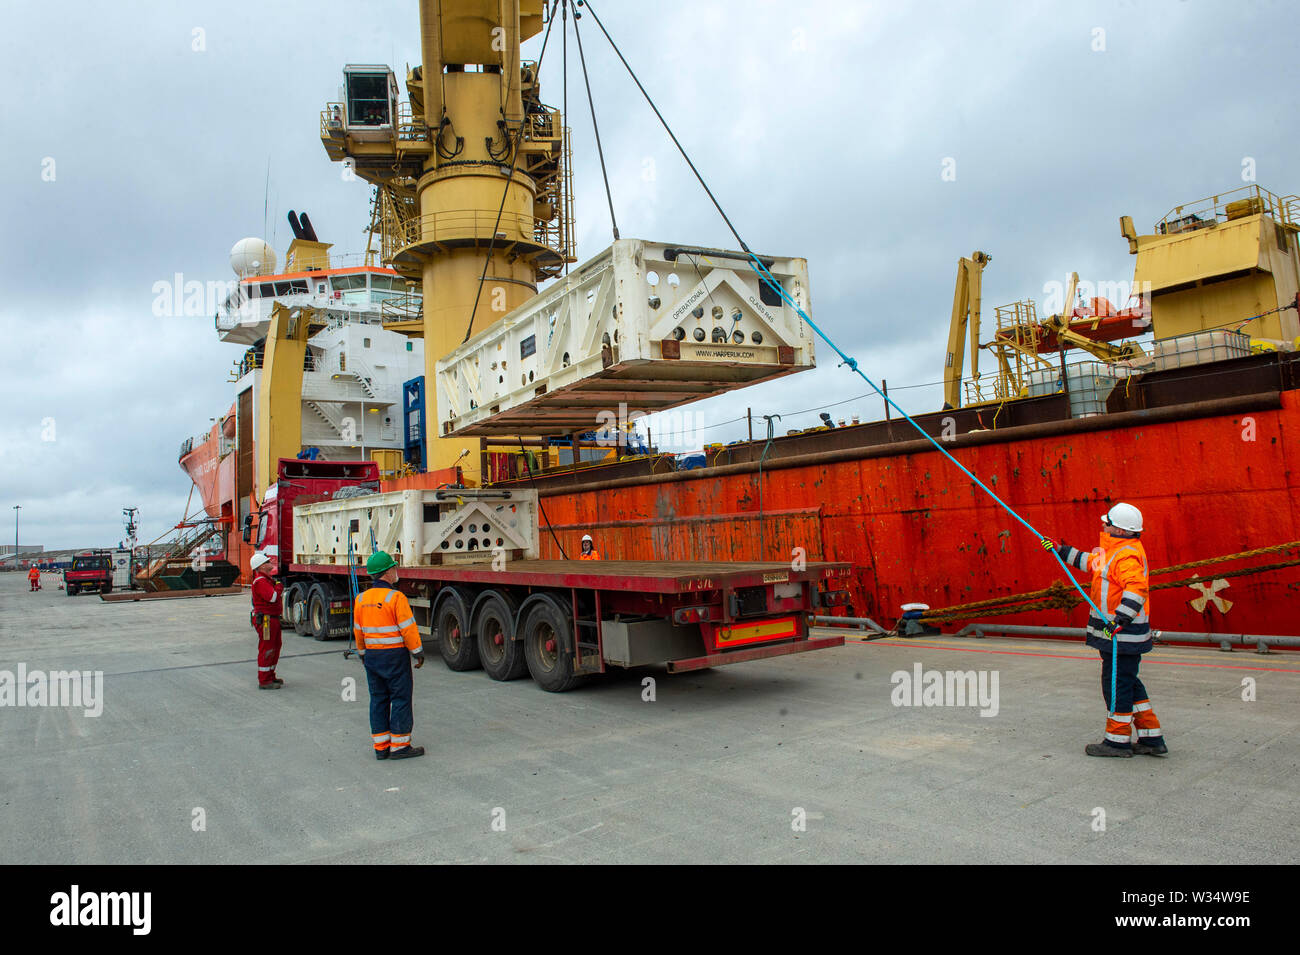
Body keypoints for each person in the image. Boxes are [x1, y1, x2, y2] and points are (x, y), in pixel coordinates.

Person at [1046, 502, 1166, 758]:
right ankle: (1151, 738)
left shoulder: (1126, 555)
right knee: (1129, 683)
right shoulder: (1114, 551)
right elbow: (1090, 562)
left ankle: (1116, 741)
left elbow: (1136, 588)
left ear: (1121, 530)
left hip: (1121, 635)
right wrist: (1060, 550)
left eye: (1108, 523)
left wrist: (1120, 619)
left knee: (1116, 686)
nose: (1103, 525)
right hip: (1118, 635)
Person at [354, 551, 425, 760]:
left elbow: (358, 630)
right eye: (394, 568)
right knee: (401, 698)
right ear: (387, 572)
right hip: (394, 657)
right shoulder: (396, 597)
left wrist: (362, 653)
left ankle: (381, 747)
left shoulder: (361, 599)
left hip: (372, 658)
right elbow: (408, 628)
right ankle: (400, 746)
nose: (396, 571)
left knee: (378, 699)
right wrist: (418, 652)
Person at [249, 552, 283, 689]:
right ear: (261, 566)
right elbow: (272, 597)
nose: (270, 563)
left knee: (275, 646)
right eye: (267, 561)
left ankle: (270, 675)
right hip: (266, 621)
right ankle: (264, 680)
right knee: (268, 648)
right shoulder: (261, 581)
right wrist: (279, 586)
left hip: (270, 619)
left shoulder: (266, 580)